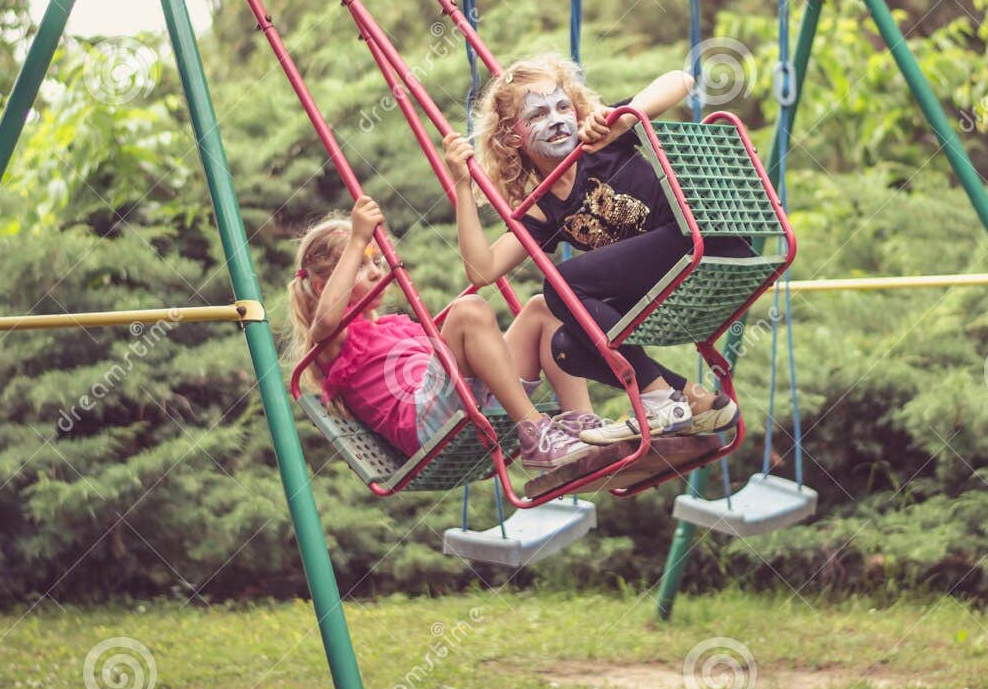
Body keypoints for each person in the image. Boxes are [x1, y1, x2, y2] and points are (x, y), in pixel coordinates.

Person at [447, 53, 741, 443]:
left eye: (563, 106)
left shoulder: (602, 141)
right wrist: (462, 187)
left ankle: (655, 400)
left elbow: (682, 80)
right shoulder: (543, 208)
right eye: (536, 115)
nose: (556, 119)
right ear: (514, 137)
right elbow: (482, 271)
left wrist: (626, 118)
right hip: (666, 272)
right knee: (568, 348)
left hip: (702, 239)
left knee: (560, 286)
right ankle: (692, 400)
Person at [287, 195, 592, 470]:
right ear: (321, 286)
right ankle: (536, 433)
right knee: (467, 310)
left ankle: (587, 432)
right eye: (358, 265)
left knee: (543, 307)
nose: (376, 271)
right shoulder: (334, 343)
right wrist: (356, 240)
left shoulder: (393, 327)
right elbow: (326, 320)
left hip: (463, 399)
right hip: (428, 426)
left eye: (377, 260)